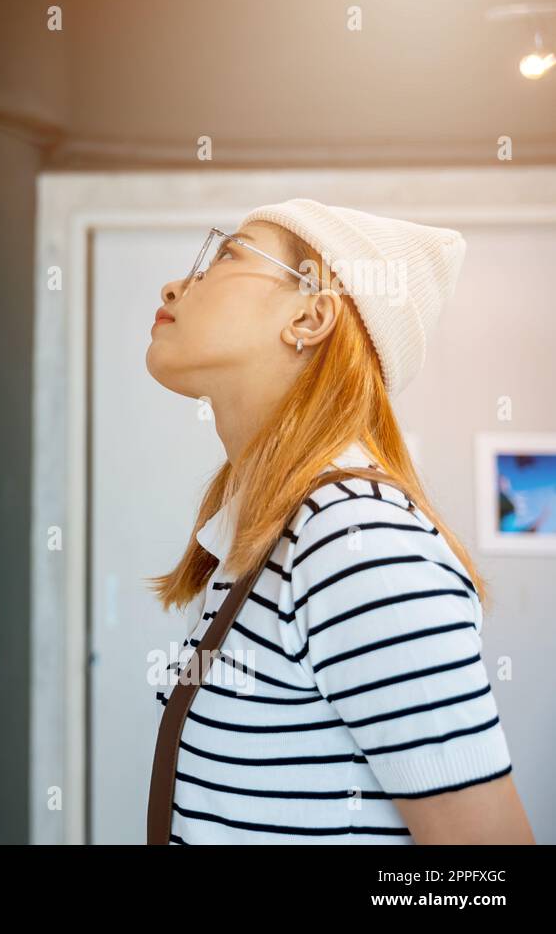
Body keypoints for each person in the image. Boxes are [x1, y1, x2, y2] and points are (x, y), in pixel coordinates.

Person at [145, 198, 534, 844]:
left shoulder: (356, 542)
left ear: (311, 315)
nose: (175, 284)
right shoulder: (265, 536)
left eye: (230, 254)